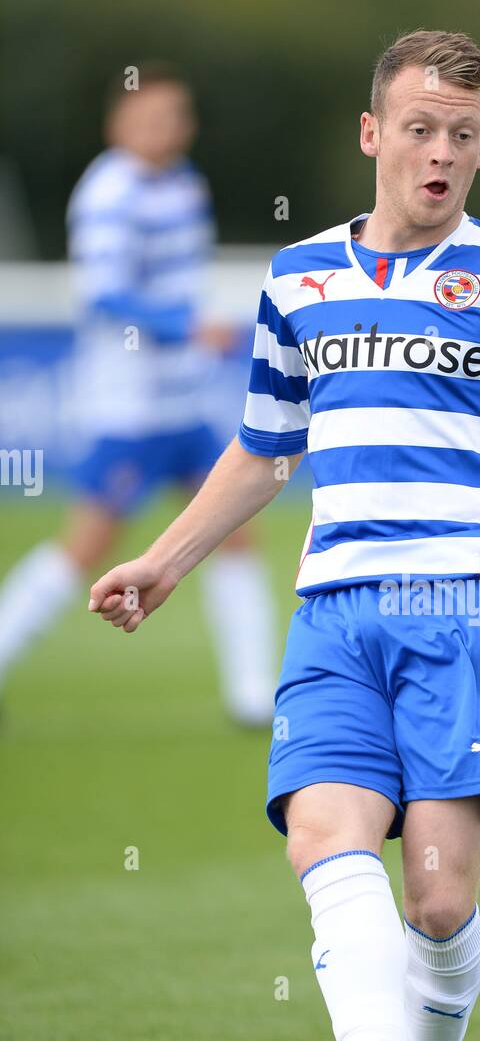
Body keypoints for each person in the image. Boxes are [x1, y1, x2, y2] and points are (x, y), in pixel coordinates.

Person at [88, 30, 480, 1041]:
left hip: (463, 608)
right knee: (323, 832)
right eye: (418, 129)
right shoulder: (296, 278)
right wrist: (166, 557)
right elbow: (263, 450)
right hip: (334, 606)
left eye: (460, 135)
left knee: (437, 903)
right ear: (372, 134)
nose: (438, 152)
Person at [0, 62, 277, 725]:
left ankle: (253, 695)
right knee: (87, 545)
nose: (166, 128)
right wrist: (185, 327)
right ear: (117, 123)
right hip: (129, 406)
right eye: (150, 116)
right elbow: (106, 296)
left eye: (175, 115)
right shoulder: (110, 192)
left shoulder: (183, 183)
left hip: (183, 401)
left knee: (234, 532)